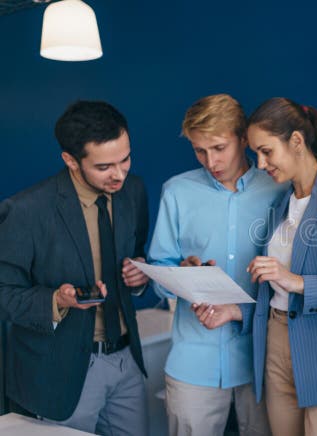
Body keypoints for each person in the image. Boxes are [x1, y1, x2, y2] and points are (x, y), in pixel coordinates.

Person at [197, 96, 317, 436]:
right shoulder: (280, 202)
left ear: (296, 141)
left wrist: (297, 281)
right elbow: (275, 289)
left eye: (266, 151)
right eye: (255, 153)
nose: (260, 162)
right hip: (275, 344)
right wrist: (234, 310)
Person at [0, 100, 150, 435]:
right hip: (62, 372)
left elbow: (136, 254)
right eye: (104, 166)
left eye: (125, 159)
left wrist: (140, 275)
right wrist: (56, 300)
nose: (120, 173)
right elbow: (3, 293)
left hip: (127, 361)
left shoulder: (134, 191)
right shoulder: (26, 211)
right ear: (70, 160)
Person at [145, 94, 281, 436]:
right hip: (193, 363)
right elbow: (159, 272)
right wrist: (182, 273)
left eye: (219, 148)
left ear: (242, 139)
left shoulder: (279, 189)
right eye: (199, 150)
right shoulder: (176, 191)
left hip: (262, 360)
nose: (210, 160)